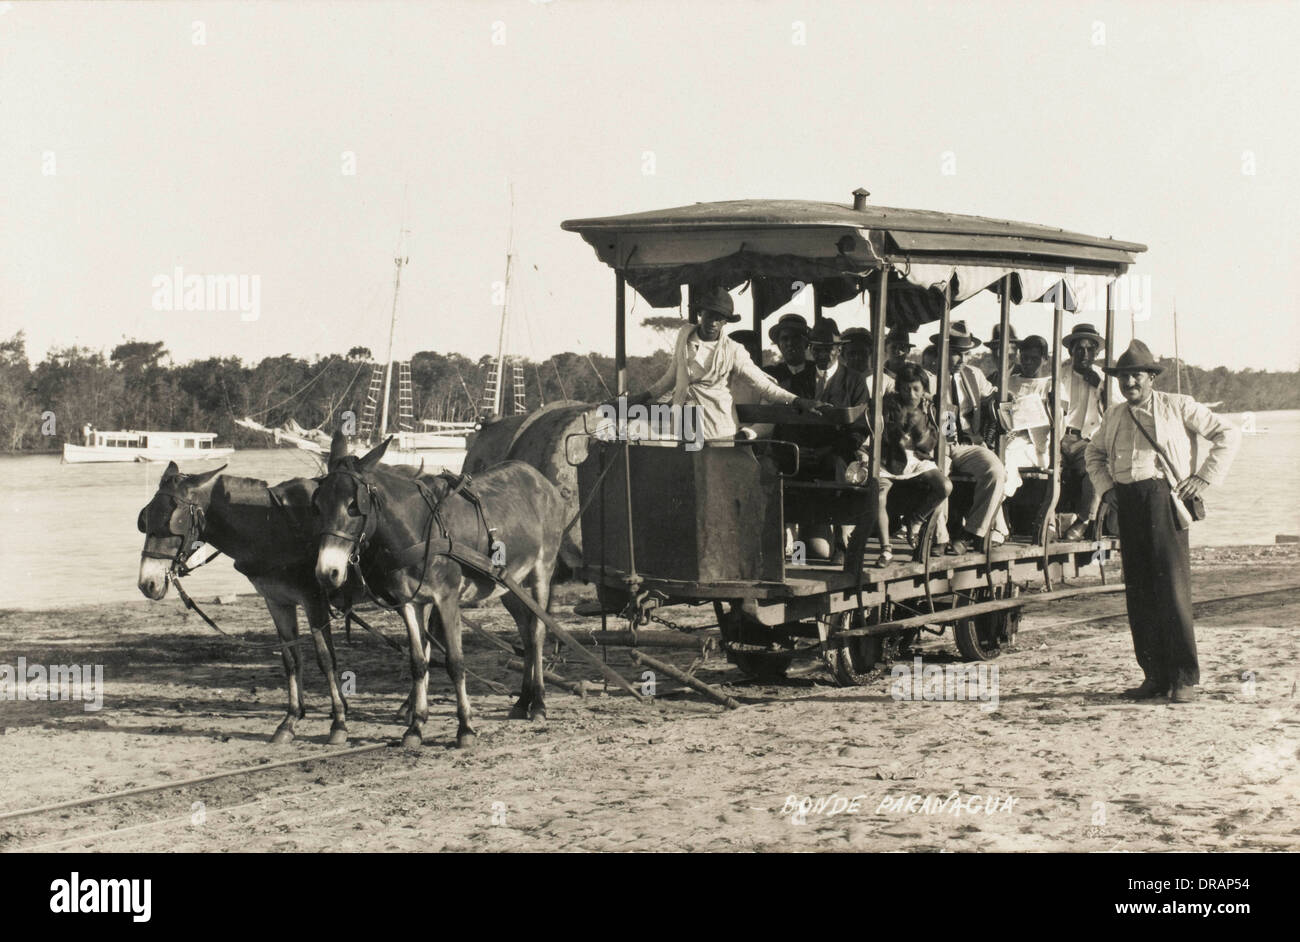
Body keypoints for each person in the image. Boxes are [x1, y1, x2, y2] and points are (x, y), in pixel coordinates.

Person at [1084, 340, 1239, 703]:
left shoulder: (1177, 405)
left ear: (1150, 377)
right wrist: (1107, 491)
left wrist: (1202, 477)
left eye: (1136, 375)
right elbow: (1094, 453)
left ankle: (1183, 678)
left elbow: (1227, 434)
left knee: (1170, 589)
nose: (1129, 383)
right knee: (1139, 592)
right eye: (1123, 377)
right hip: (1128, 503)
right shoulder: (1115, 415)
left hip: (1164, 501)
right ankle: (1154, 676)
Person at [635, 287, 822, 441]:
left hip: (717, 430)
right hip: (682, 426)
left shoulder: (733, 350)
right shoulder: (684, 334)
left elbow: (764, 385)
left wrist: (799, 401)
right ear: (700, 313)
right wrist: (641, 397)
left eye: (719, 318)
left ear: (726, 321)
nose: (713, 322)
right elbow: (672, 376)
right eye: (709, 315)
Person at [850, 362, 951, 569]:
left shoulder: (930, 409)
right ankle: (886, 548)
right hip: (890, 459)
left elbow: (938, 439)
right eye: (906, 388)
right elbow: (878, 434)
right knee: (879, 493)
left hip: (917, 459)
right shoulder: (888, 405)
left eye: (916, 389)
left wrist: (923, 428)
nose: (911, 394)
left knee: (945, 486)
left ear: (924, 390)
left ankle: (916, 520)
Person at [929, 321, 1007, 554]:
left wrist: (1001, 403)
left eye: (965, 354)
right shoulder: (930, 376)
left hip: (966, 443)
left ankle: (973, 532)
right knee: (939, 475)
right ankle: (939, 537)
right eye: (956, 354)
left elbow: (995, 396)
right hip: (938, 442)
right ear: (943, 352)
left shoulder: (973, 375)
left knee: (996, 471)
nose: (961, 360)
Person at [1060, 323, 1107, 540]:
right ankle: (1049, 521)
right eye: (1080, 349)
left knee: (1095, 468)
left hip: (1087, 440)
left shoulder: (1105, 379)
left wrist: (1100, 387)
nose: (1085, 354)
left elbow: (1115, 411)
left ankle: (1083, 520)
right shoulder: (1060, 375)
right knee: (1047, 465)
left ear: (1097, 353)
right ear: (1071, 351)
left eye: (1090, 350)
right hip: (1060, 437)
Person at [764, 313, 814, 397]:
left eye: (796, 338)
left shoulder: (817, 373)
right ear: (779, 345)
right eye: (784, 338)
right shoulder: (770, 375)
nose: (790, 343)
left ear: (805, 343)